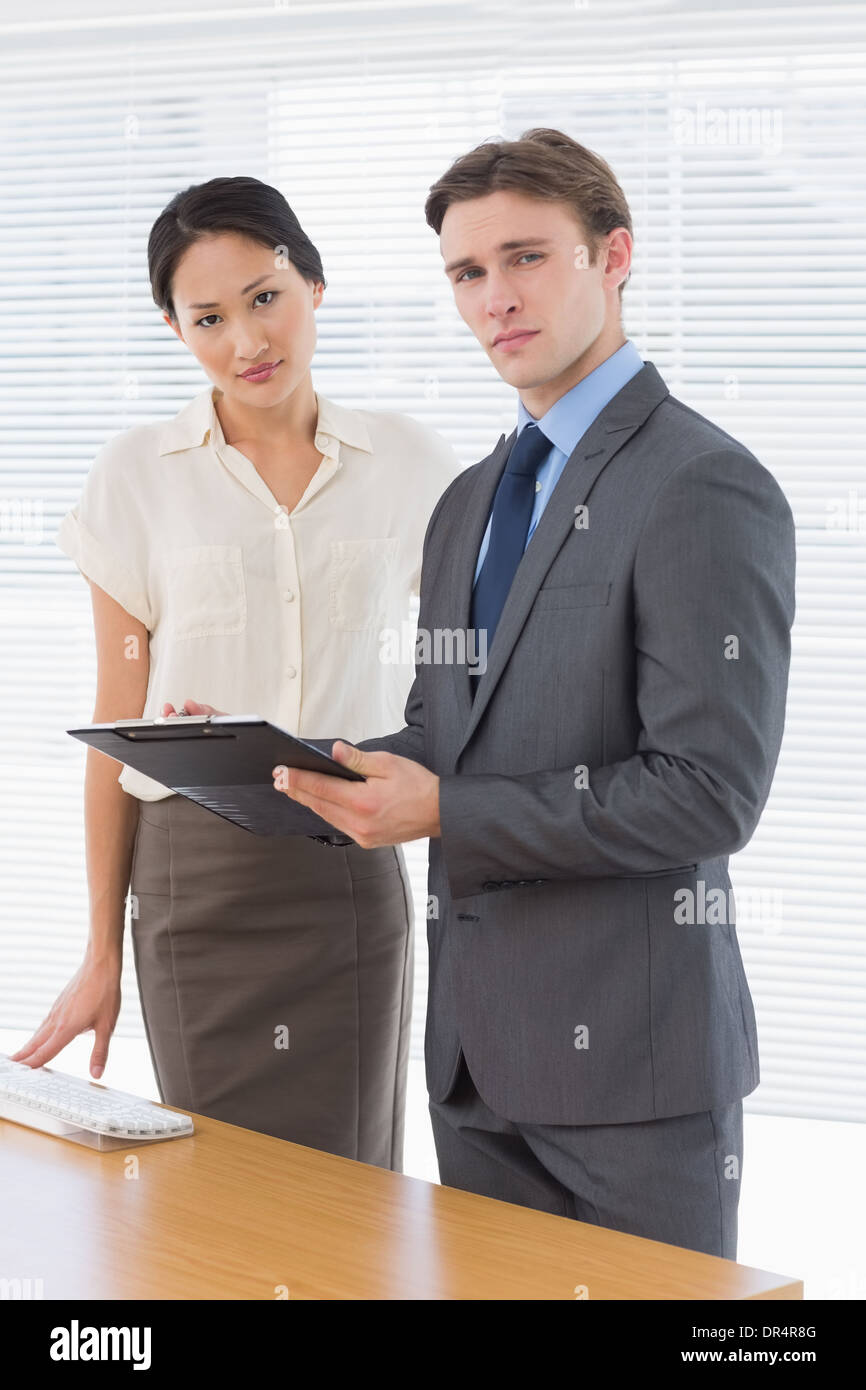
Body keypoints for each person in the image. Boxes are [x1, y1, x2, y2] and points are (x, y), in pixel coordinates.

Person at [201, 128, 796, 1257]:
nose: (493, 298)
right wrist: (280, 755)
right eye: (466, 273)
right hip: (472, 1064)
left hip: (634, 1074)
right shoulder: (470, 497)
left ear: (612, 255)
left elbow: (706, 794)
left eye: (525, 257)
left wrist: (446, 811)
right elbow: (445, 738)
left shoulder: (701, 484)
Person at [12, 176, 461, 1171]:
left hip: (345, 870)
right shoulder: (136, 476)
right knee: (211, 1191)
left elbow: (470, 673)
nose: (245, 342)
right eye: (206, 317)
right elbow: (111, 727)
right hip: (193, 887)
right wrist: (99, 955)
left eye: (264, 298)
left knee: (353, 1188)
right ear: (173, 329)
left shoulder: (409, 462)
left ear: (314, 284)